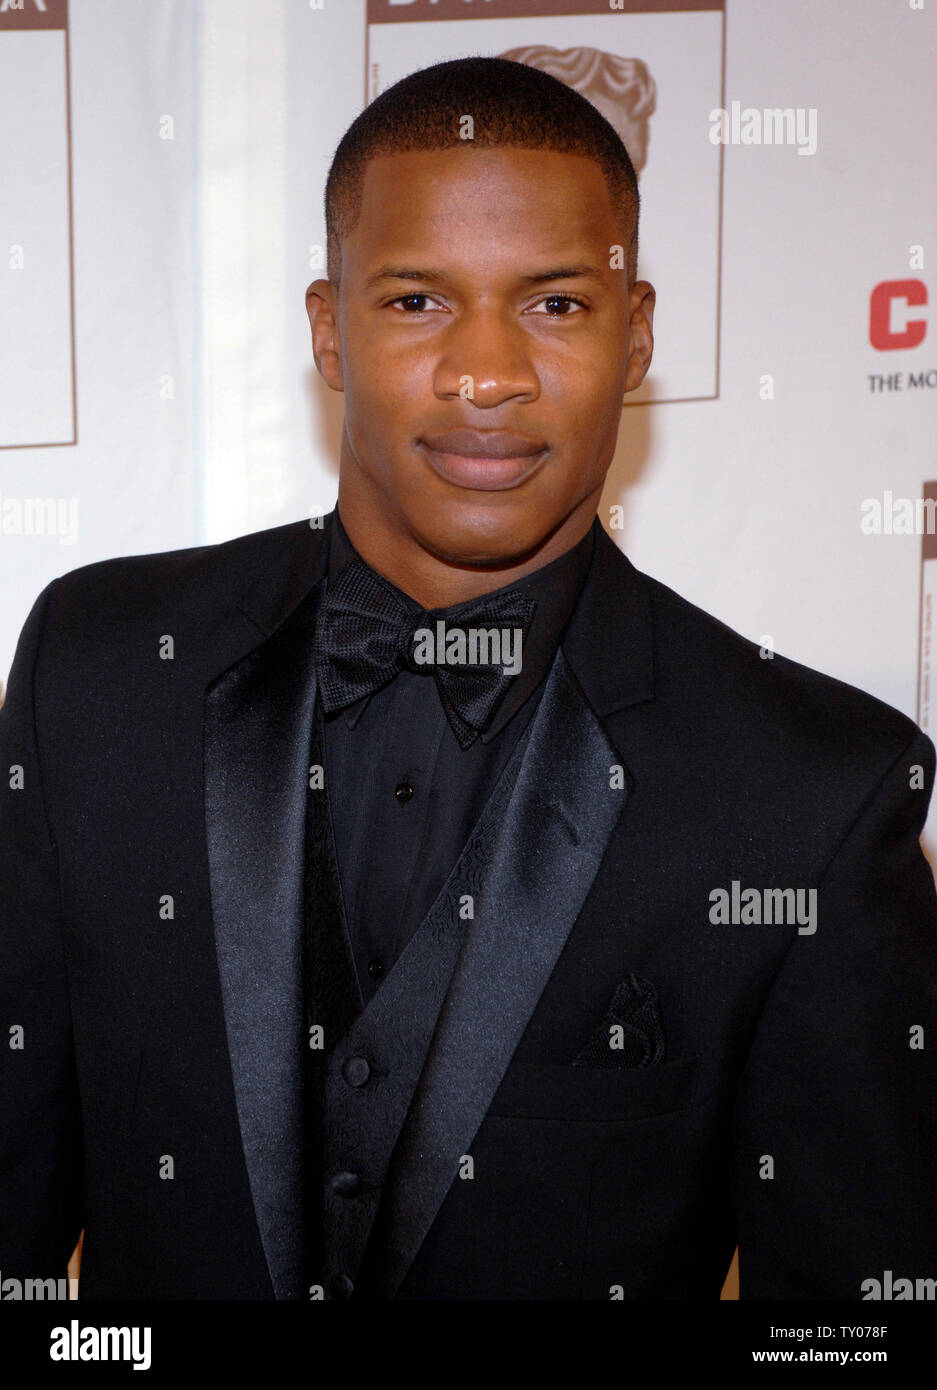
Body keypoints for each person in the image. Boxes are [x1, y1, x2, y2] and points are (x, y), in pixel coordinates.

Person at [1, 56, 935, 1302]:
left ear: (637, 330)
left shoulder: (808, 791)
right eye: (416, 303)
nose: (485, 374)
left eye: (553, 304)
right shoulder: (102, 672)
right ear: (328, 331)